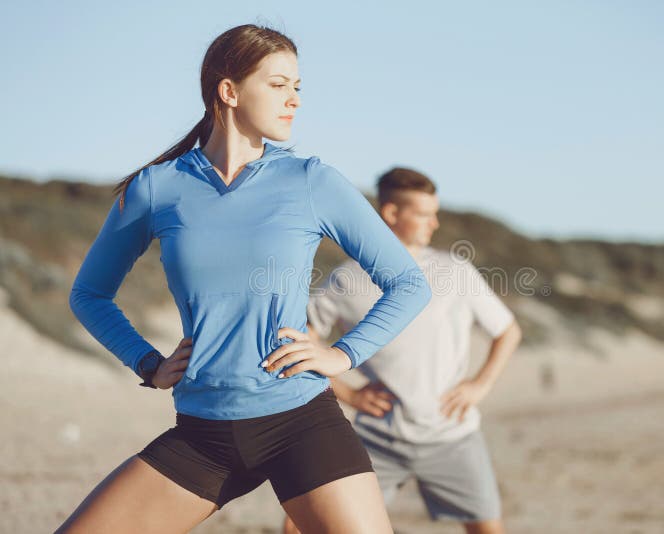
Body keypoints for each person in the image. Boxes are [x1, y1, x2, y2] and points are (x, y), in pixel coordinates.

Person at [57, 24, 432, 534]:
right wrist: (146, 362)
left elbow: (409, 284)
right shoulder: (158, 188)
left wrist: (341, 355)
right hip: (202, 435)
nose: (294, 100)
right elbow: (89, 294)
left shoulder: (311, 181)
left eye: (298, 87)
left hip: (301, 423)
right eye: (278, 85)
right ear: (229, 91)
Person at [283, 168, 522, 534]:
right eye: (424, 214)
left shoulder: (454, 270)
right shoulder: (348, 278)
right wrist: (347, 394)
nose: (435, 223)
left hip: (451, 435)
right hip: (377, 439)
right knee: (300, 524)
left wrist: (480, 385)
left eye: (435, 212)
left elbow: (507, 331)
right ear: (392, 213)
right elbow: (304, 342)